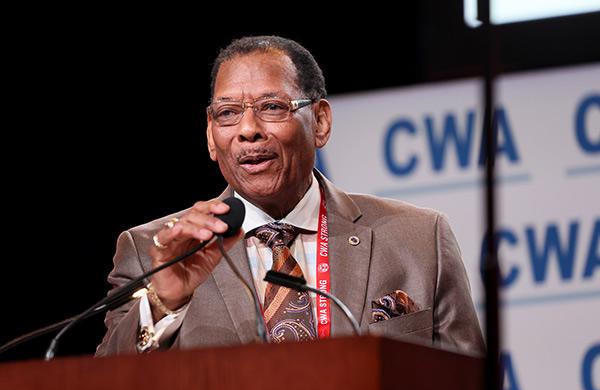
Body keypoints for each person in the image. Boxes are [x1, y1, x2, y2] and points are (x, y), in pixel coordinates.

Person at [96, 36, 484, 357]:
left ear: (320, 122)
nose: (248, 130)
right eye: (228, 113)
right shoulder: (153, 250)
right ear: (210, 137)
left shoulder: (418, 238)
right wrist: (164, 304)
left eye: (271, 107)